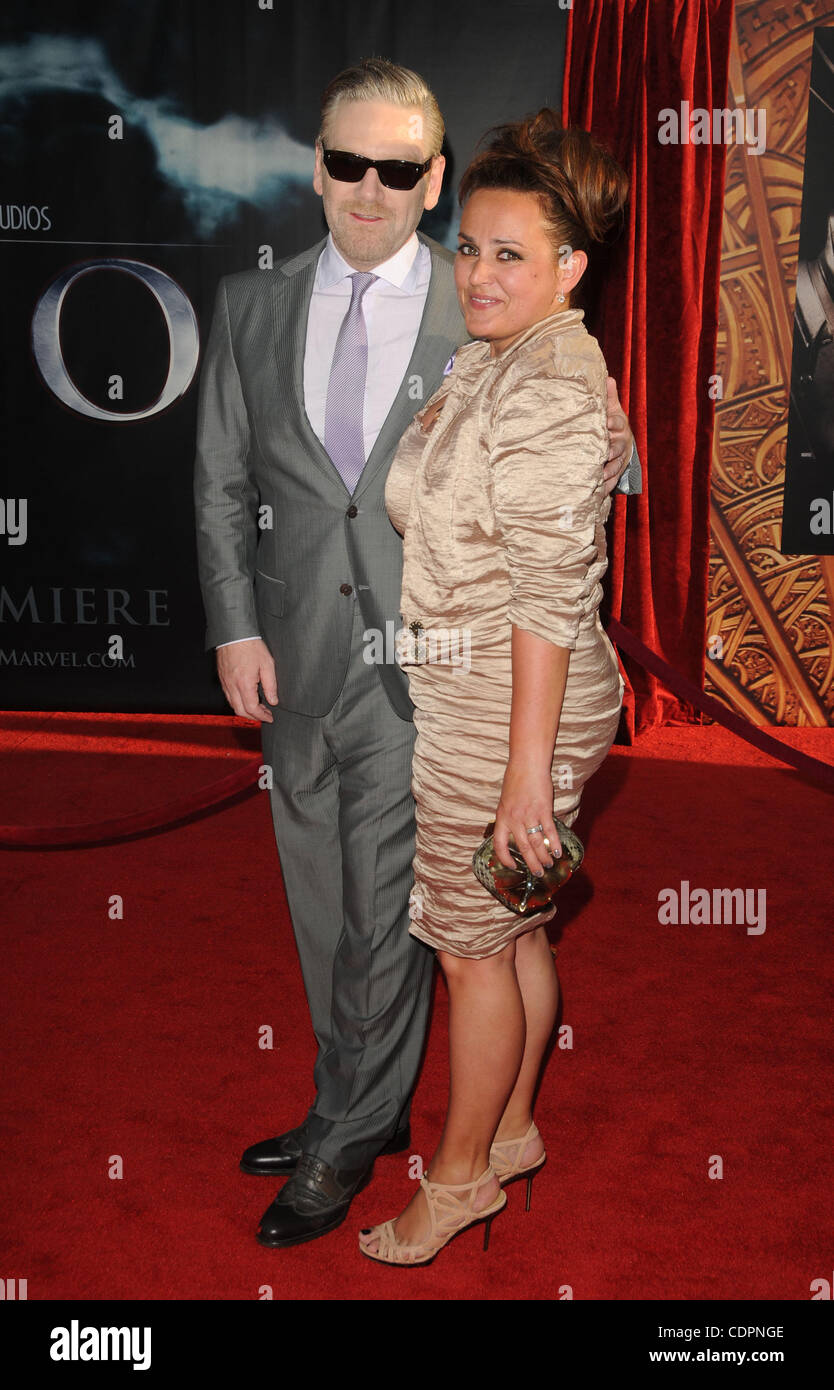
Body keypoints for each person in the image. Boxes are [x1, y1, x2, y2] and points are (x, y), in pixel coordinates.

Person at [194, 60, 639, 1251]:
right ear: (319, 166)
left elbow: (560, 542)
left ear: (432, 177)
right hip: (299, 659)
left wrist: (526, 766)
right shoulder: (262, 305)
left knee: (429, 933)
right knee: (341, 908)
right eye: (349, 162)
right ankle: (383, 1104)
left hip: (450, 686)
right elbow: (225, 480)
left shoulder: (492, 315)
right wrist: (236, 620)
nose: (373, 188)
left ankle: (365, 1133)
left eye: (400, 168)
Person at [359, 109, 628, 1266]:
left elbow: (550, 600)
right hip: (491, 691)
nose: (477, 272)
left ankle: (458, 1178)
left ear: (571, 266)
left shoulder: (552, 389)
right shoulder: (500, 358)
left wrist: (527, 776)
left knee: (468, 945)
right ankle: (512, 1130)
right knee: (514, 932)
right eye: (469, 247)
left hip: (510, 704)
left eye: (510, 254)